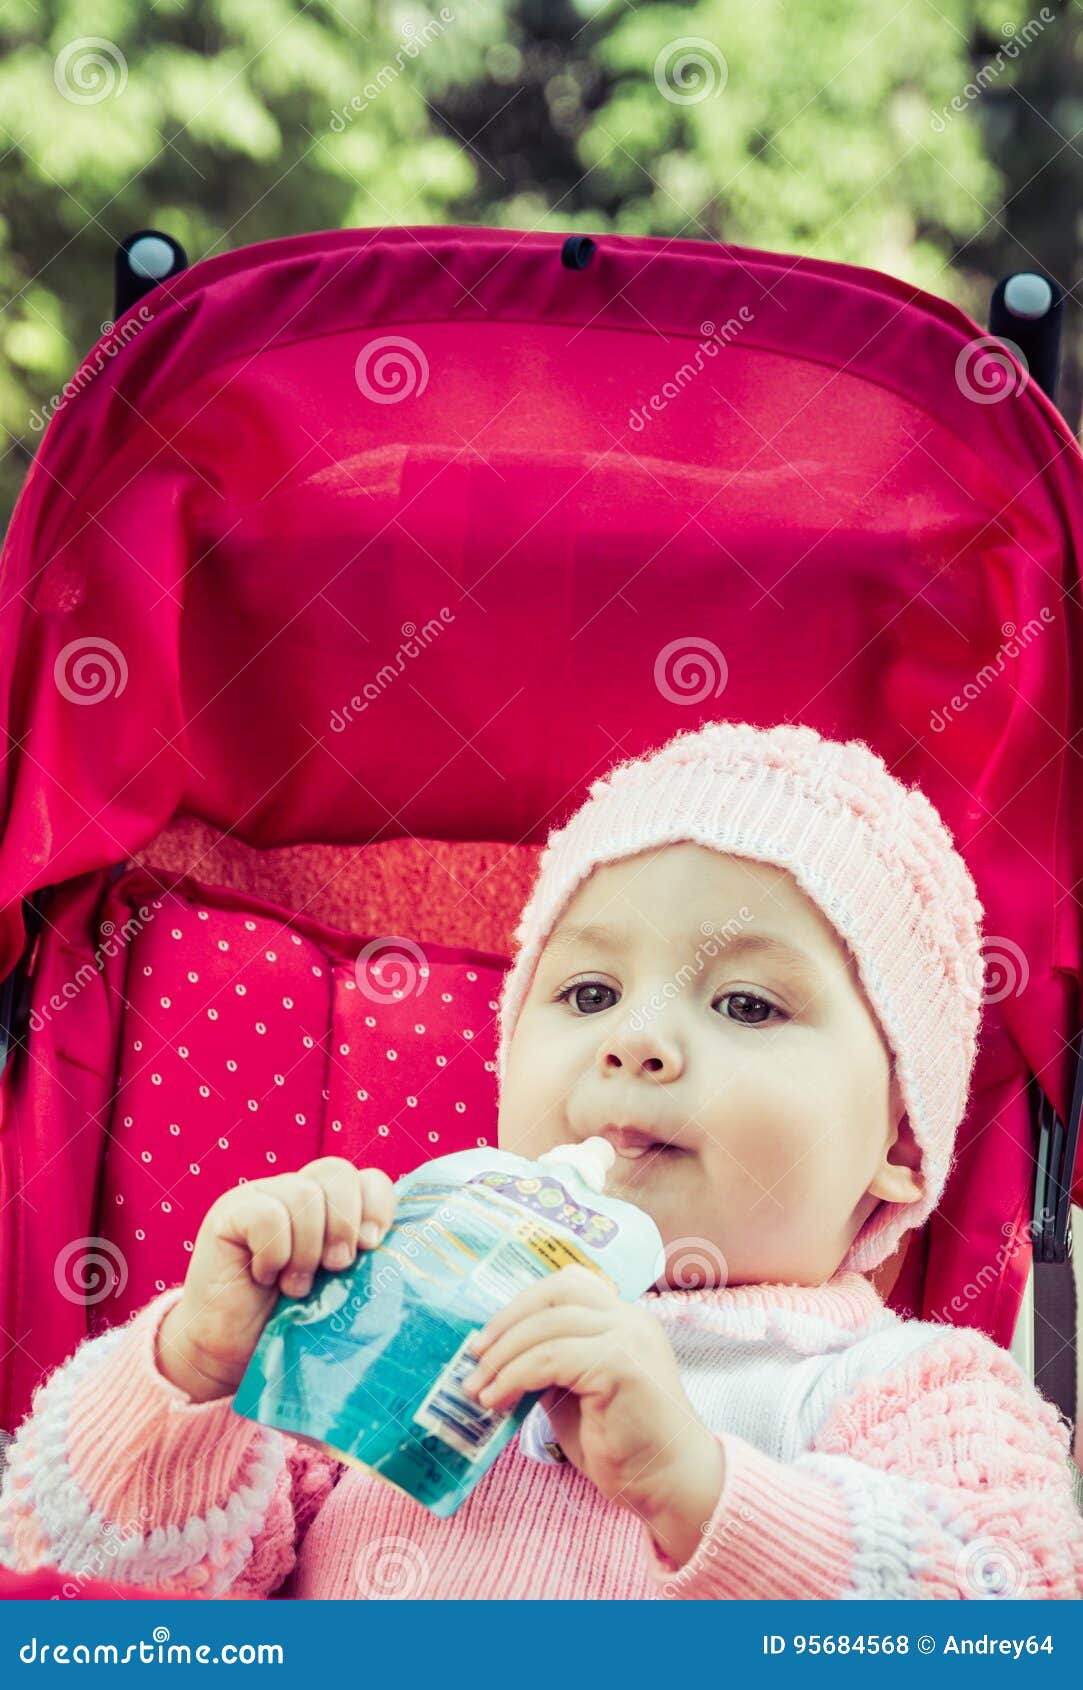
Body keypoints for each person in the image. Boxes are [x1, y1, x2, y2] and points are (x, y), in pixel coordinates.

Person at [2, 720, 1081, 1599]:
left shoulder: (903, 1392)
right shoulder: (385, 1317)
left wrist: (698, 1489)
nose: (636, 1040)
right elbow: (72, 1589)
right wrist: (199, 1368)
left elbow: (1005, 1614)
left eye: (747, 1001)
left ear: (898, 1143)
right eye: (589, 993)